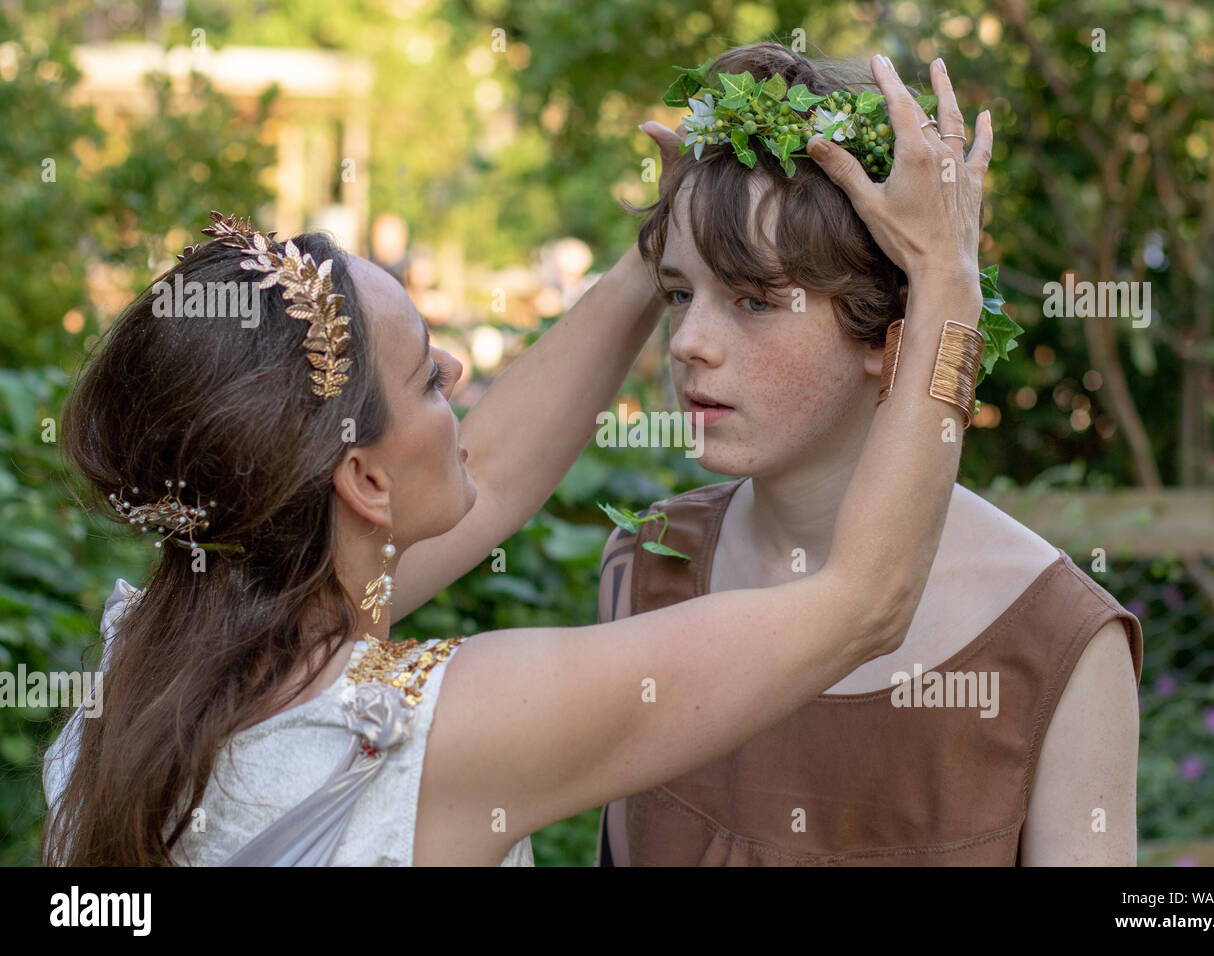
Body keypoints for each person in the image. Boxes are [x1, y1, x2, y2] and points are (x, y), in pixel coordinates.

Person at [42, 51, 994, 867]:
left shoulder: (150, 666)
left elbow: (489, 476)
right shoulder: (434, 736)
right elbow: (863, 603)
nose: (458, 372)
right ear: (367, 482)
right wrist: (948, 280)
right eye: (426, 378)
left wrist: (659, 251)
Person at [596, 42, 1142, 867]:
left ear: (889, 336)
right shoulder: (645, 564)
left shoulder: (1059, 643)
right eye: (680, 293)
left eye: (753, 300)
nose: (689, 344)